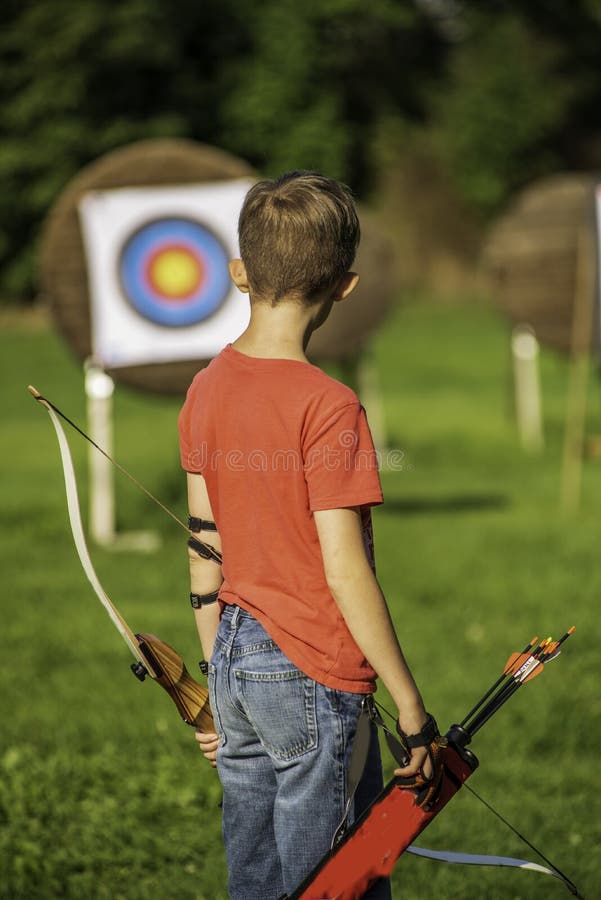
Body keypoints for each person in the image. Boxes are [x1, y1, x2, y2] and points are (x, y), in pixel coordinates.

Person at [178, 171, 438, 900]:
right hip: (311, 672)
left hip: (233, 653)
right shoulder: (330, 405)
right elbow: (345, 570)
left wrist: (216, 687)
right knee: (332, 885)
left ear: (238, 272)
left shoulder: (206, 386)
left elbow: (204, 540)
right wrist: (411, 711)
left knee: (258, 880)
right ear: (345, 287)